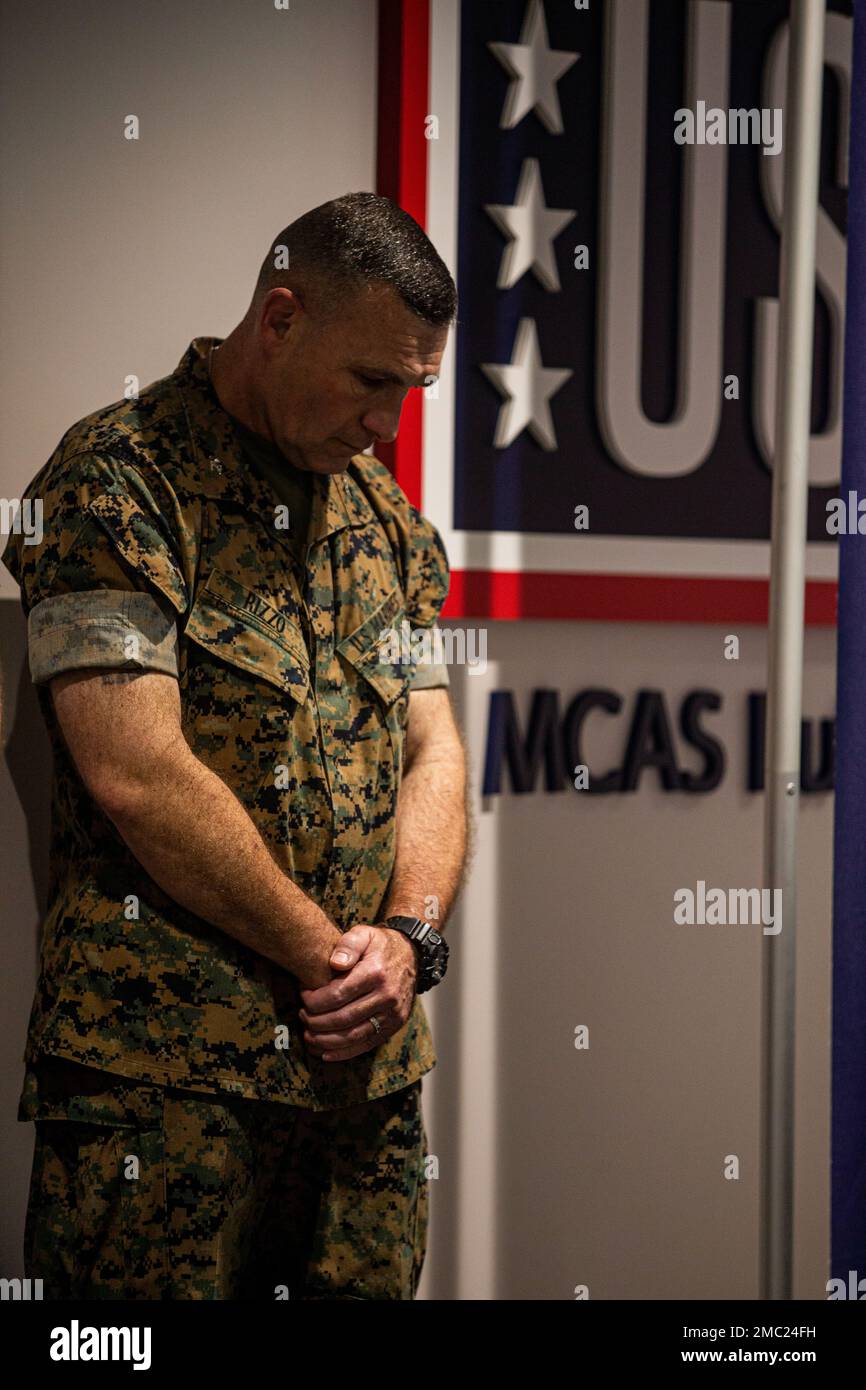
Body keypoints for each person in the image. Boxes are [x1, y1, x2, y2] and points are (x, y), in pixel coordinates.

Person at [1, 191, 469, 1300]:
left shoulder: (386, 524)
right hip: (164, 1088)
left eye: (412, 390)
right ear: (280, 316)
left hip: (361, 1088)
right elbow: (134, 773)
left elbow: (435, 752)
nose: (387, 425)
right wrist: (326, 957)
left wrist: (406, 940)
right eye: (370, 381)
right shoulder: (117, 483)